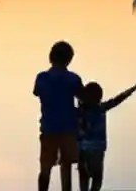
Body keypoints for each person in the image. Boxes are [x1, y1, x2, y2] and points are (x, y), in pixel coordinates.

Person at [32, 41, 85, 191]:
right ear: (69, 59)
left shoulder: (42, 78)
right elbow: (82, 97)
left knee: (45, 168)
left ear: (51, 57)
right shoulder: (73, 79)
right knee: (66, 165)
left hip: (48, 128)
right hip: (68, 128)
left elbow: (36, 92)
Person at [76, 81, 136, 191]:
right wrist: (135, 87)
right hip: (97, 150)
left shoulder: (79, 112)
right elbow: (119, 99)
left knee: (84, 181)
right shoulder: (101, 108)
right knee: (97, 181)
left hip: (82, 151)